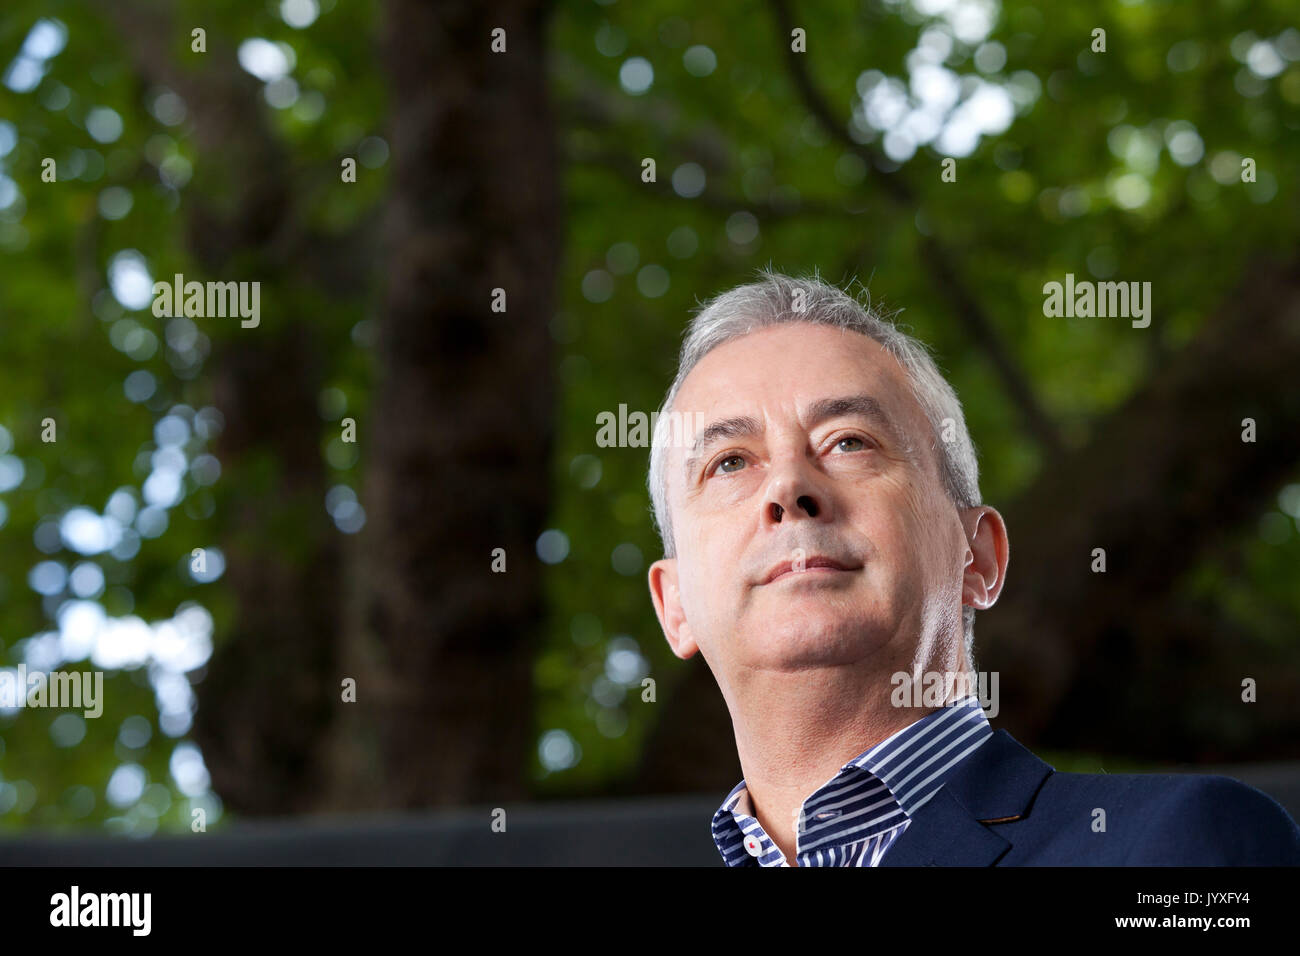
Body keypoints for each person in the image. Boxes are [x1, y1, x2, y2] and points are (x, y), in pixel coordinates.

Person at [644, 268, 1300, 866]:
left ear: (977, 558)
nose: (788, 486)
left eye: (849, 442)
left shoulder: (1182, 846)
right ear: (674, 606)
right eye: (728, 461)